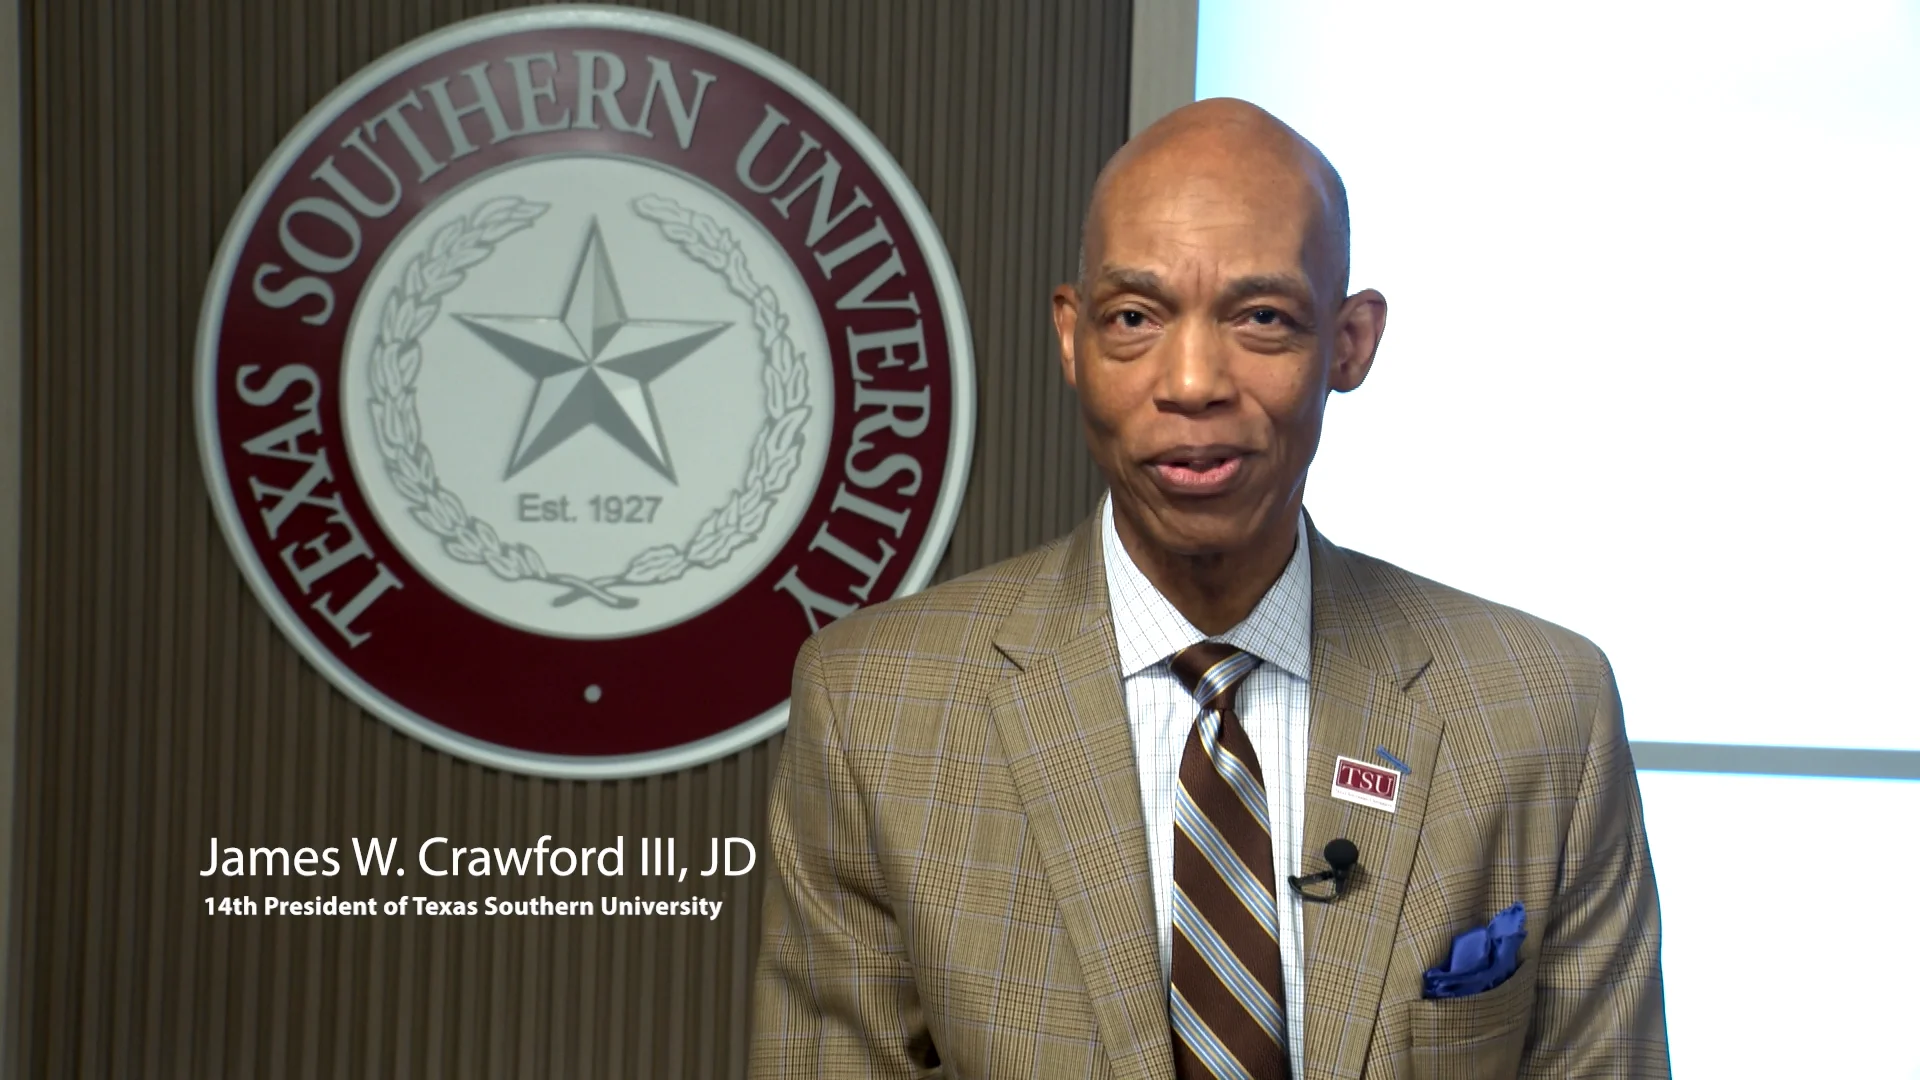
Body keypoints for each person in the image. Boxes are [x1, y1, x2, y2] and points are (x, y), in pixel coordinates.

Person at [751, 97, 1668, 1079]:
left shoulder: (1539, 713)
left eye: (1261, 318)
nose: (1191, 381)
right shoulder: (878, 711)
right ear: (1072, 336)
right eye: (1136, 318)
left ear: (1351, 342)